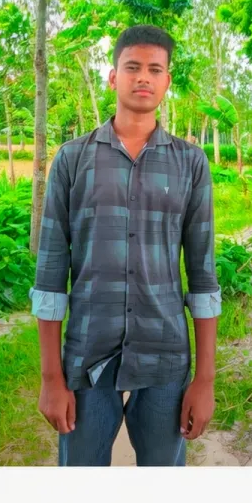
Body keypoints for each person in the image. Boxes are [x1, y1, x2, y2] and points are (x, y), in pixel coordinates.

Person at [30, 23, 221, 466]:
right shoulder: (73, 159)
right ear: (113, 77)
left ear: (167, 81)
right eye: (132, 67)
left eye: (155, 69)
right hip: (87, 354)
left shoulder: (190, 163)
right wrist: (51, 378)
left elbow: (203, 276)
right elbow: (50, 274)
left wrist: (205, 380)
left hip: (165, 353)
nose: (143, 78)